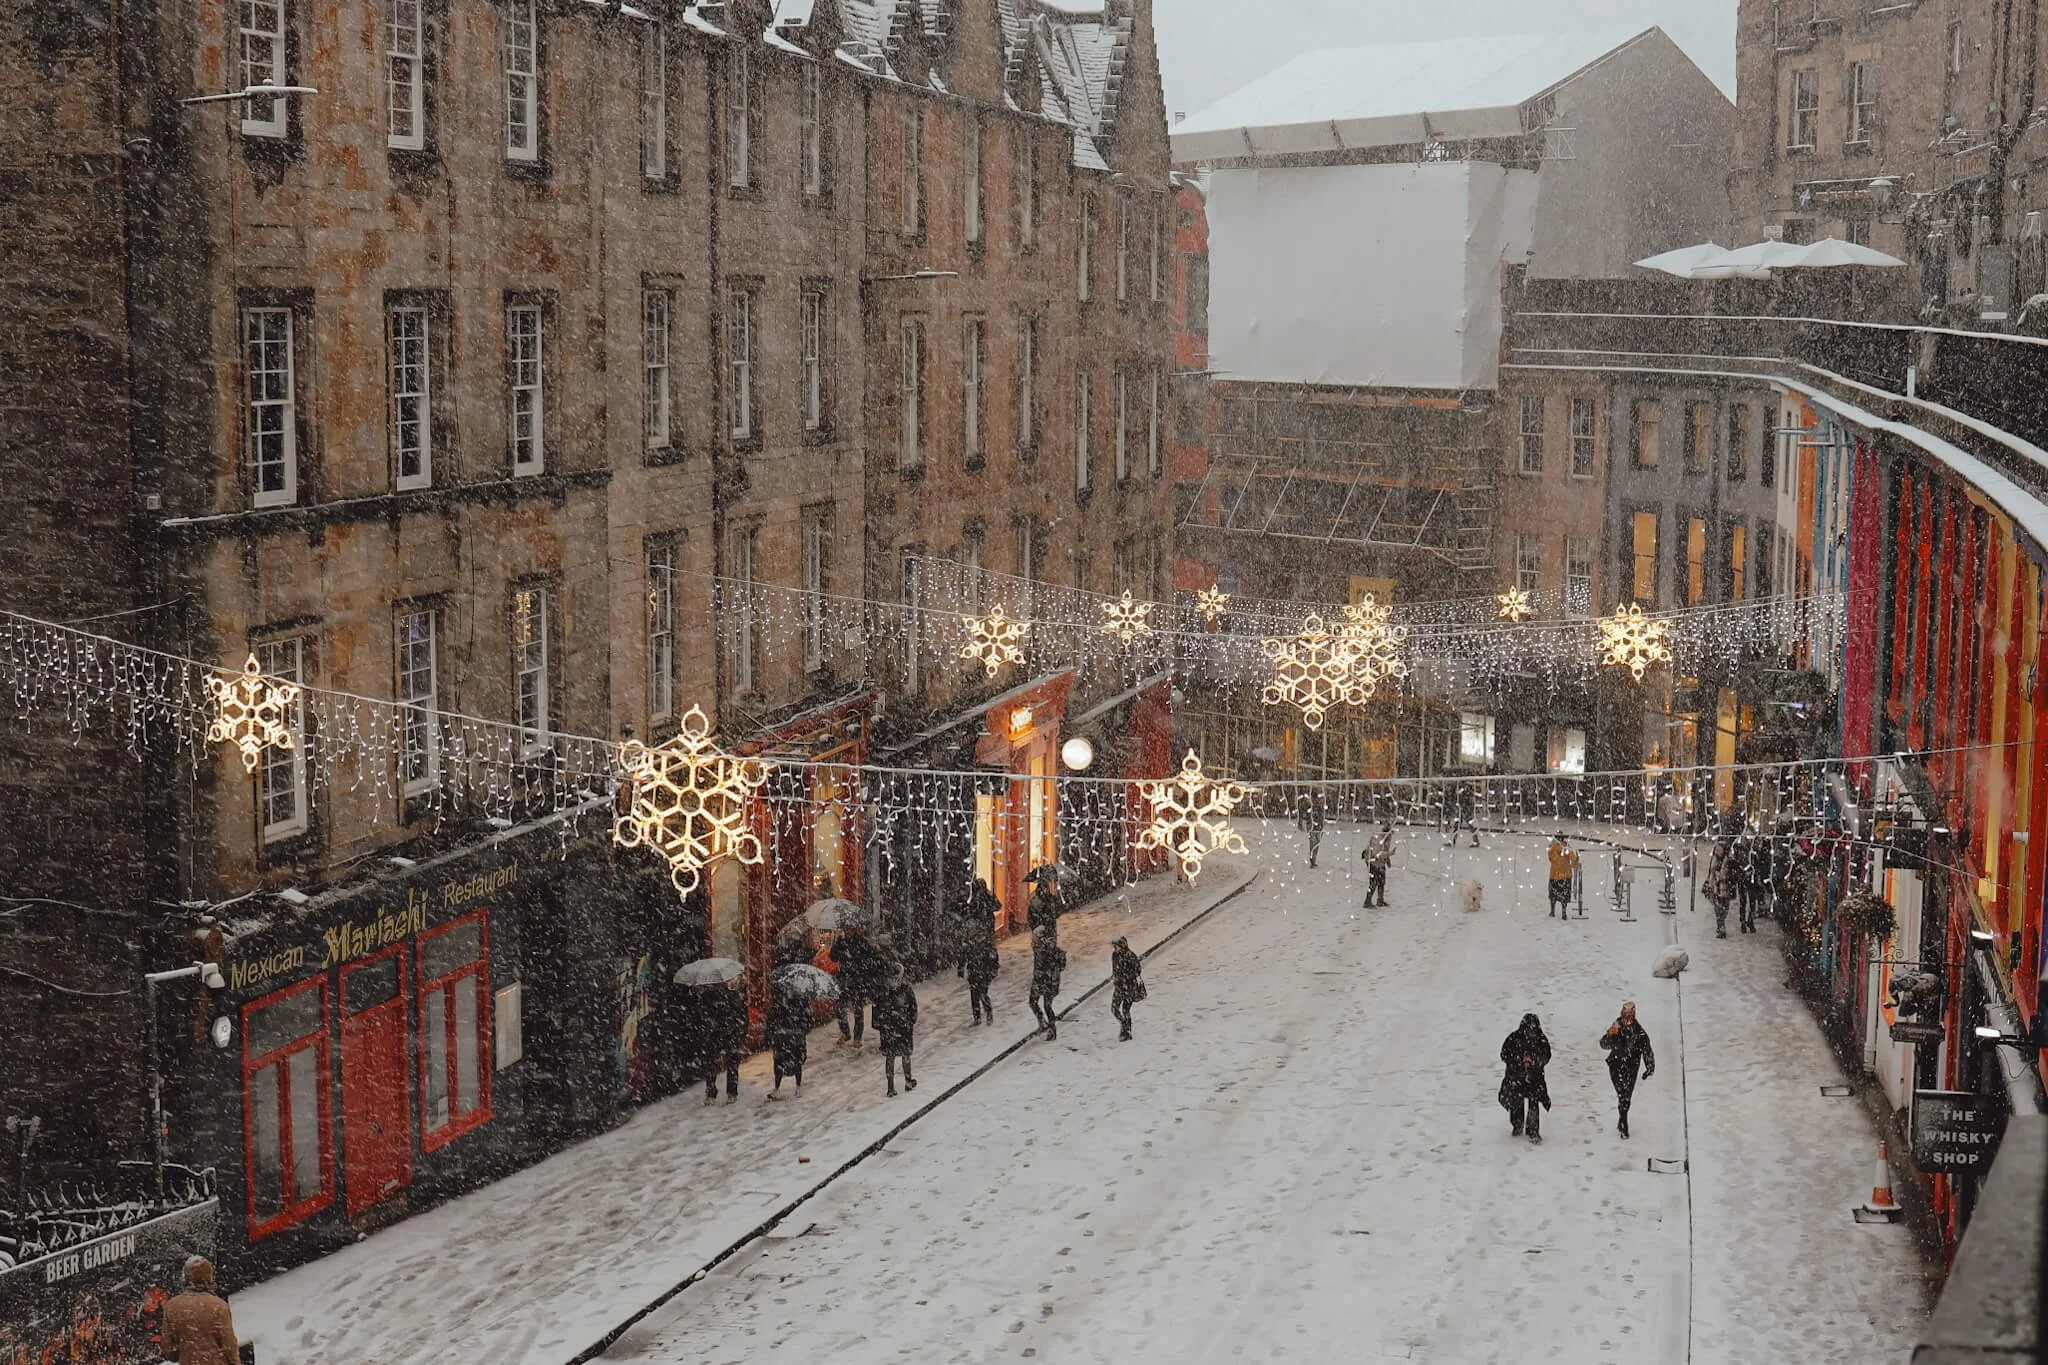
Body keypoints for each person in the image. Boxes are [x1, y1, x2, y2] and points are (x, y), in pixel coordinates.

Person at [161, 1256, 238, 1365]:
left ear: (186, 1278)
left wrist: (186, 1352)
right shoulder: (218, 1306)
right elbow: (229, 1346)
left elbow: (168, 1349)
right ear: (209, 1277)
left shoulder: (172, 1306)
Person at [1600, 1001, 1655, 1139]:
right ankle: (1622, 1118)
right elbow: (1603, 1044)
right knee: (1622, 1093)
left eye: (1630, 1015)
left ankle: (1623, 1120)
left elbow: (1647, 1049)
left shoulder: (1639, 1032)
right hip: (1616, 1065)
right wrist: (1610, 1035)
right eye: (1625, 1015)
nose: (1627, 1018)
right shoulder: (1616, 1026)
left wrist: (1649, 1067)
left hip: (1631, 1068)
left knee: (1626, 1095)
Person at [1497, 1013, 1552, 1143]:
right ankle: (1517, 1126)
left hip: (1534, 1077)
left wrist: (1533, 1061)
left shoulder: (1541, 1039)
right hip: (1516, 1076)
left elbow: (1546, 1056)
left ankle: (1533, 1130)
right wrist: (1519, 1060)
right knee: (1516, 1100)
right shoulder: (1514, 1038)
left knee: (1534, 1102)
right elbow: (1504, 1054)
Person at [831, 927, 884, 1046]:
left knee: (857, 1009)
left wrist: (859, 964)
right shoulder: (840, 941)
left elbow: (870, 957)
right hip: (844, 979)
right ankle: (845, 1032)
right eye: (846, 929)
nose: (847, 932)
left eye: (849, 929)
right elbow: (833, 957)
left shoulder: (861, 942)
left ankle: (857, 1037)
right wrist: (836, 947)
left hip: (857, 979)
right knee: (840, 1008)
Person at [873, 968, 919, 1097]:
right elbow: (913, 1006)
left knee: (890, 1056)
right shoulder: (905, 988)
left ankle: (891, 1087)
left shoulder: (882, 990)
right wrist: (910, 1021)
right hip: (901, 1025)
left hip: (888, 1027)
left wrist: (880, 1024)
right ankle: (908, 1080)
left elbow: (876, 1010)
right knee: (905, 1054)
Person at [962, 877, 1002, 1025]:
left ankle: (982, 1014)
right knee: (976, 991)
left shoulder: (979, 902)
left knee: (978, 991)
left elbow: (997, 906)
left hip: (980, 962)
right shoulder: (983, 901)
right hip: (978, 962)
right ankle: (980, 1015)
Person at [702, 978, 748, 1105]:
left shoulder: (708, 997)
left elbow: (703, 1015)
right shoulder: (732, 996)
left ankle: (711, 1093)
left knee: (712, 1063)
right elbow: (742, 1014)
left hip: (717, 1034)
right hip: (729, 1034)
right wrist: (740, 1031)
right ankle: (731, 1092)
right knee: (732, 1063)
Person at [767, 978, 809, 1098]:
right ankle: (780, 1087)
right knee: (782, 1061)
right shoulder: (781, 1002)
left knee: (794, 1061)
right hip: (785, 1035)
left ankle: (796, 1086)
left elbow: (806, 1018)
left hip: (791, 1035)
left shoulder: (798, 1001)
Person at [1029, 924, 1066, 1040]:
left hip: (1048, 981)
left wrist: (1049, 977)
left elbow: (1057, 967)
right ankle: (1042, 1022)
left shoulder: (1048, 950)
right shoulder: (1038, 948)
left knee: (1047, 1005)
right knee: (1033, 1002)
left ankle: (1051, 1028)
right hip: (1039, 979)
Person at [1110, 936, 1146, 1041]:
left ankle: (1126, 1031)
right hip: (1119, 986)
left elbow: (1137, 970)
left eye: (1116, 946)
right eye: (1114, 947)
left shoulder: (1130, 956)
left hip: (1129, 987)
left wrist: (1125, 977)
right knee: (1114, 1008)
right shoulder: (1115, 955)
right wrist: (1116, 978)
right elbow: (1115, 969)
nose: (1115, 949)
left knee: (1126, 1009)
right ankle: (1124, 1025)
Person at [1546, 833, 1579, 919]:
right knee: (1564, 896)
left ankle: (1552, 911)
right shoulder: (1567, 847)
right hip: (1565, 875)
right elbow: (1574, 859)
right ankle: (1564, 913)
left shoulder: (1551, 846)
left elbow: (1551, 858)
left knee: (1553, 895)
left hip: (1554, 875)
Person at [1705, 842, 1733, 938]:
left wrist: (1724, 877)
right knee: (1718, 909)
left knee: (1725, 909)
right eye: (1716, 850)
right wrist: (1709, 882)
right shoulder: (1713, 860)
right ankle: (1721, 927)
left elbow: (1731, 874)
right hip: (1715, 888)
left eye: (1719, 850)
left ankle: (1721, 926)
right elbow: (1710, 873)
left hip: (1725, 888)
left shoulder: (1728, 861)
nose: (1717, 852)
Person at [1362, 821, 1393, 907]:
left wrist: (1387, 860)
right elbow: (1376, 854)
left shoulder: (1387, 838)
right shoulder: (1378, 838)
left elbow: (1385, 849)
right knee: (1373, 881)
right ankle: (1367, 901)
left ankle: (1380, 900)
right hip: (1371, 860)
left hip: (1380, 861)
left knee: (1382, 881)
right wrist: (1389, 854)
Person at [1297, 792, 1326, 868]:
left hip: (1318, 828)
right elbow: (1306, 816)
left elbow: (1321, 817)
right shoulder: (1310, 806)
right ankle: (1312, 861)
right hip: (1313, 828)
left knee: (1316, 845)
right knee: (1313, 844)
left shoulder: (1318, 806)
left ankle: (1313, 860)